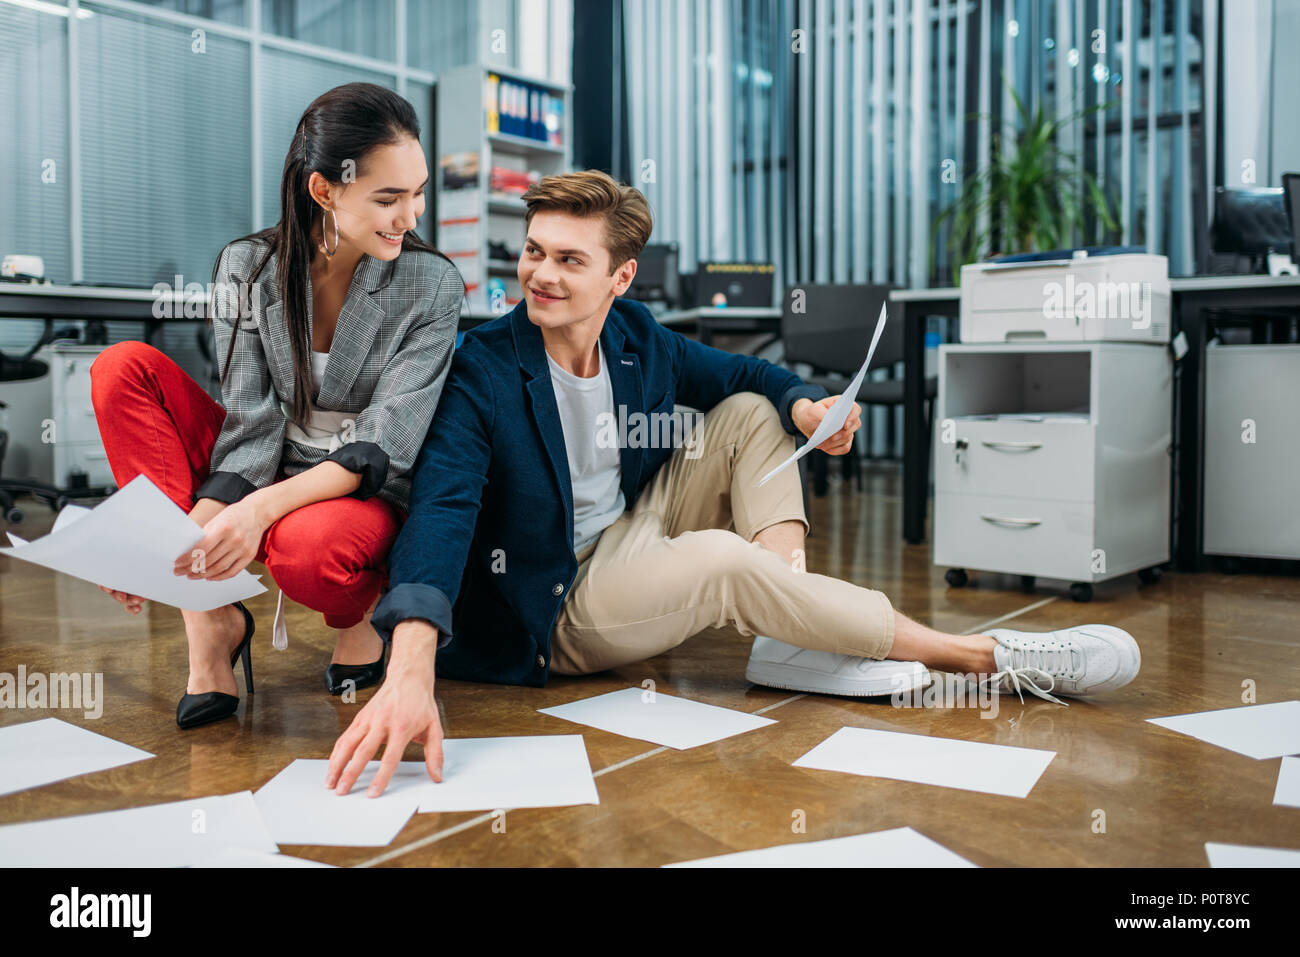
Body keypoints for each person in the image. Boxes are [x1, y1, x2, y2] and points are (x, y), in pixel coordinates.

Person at [325, 170, 1139, 798]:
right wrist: (409, 666)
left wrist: (806, 403)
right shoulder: (483, 368)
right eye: (534, 251)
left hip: (625, 532)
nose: (541, 274)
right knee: (719, 559)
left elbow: (744, 374)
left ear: (621, 278)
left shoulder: (638, 336)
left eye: (570, 259)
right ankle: (987, 656)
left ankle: (794, 628)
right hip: (555, 603)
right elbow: (443, 508)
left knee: (752, 411)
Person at [89, 82, 464, 728]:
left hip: (356, 482)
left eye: (419, 191)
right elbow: (250, 422)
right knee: (120, 367)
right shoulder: (246, 266)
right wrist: (167, 546)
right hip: (268, 460)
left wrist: (256, 511)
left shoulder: (432, 285)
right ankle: (210, 621)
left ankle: (356, 620)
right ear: (324, 190)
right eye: (389, 197)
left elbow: (387, 442)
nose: (411, 216)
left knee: (306, 550)